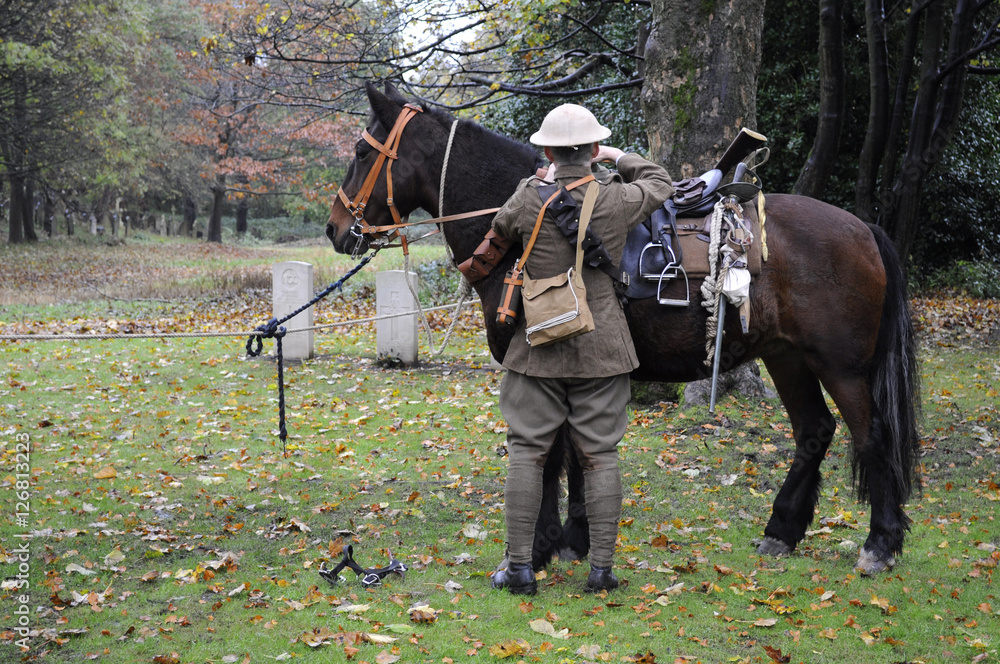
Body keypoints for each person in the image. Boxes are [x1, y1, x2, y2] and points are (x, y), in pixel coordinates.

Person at [489, 104, 675, 595]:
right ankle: (601, 572)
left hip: (538, 346)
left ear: (547, 152)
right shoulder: (617, 197)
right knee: (601, 455)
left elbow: (504, 229)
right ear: (593, 151)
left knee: (526, 453)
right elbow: (661, 183)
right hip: (602, 347)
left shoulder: (529, 196)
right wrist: (618, 156)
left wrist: (546, 180)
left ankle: (521, 569)